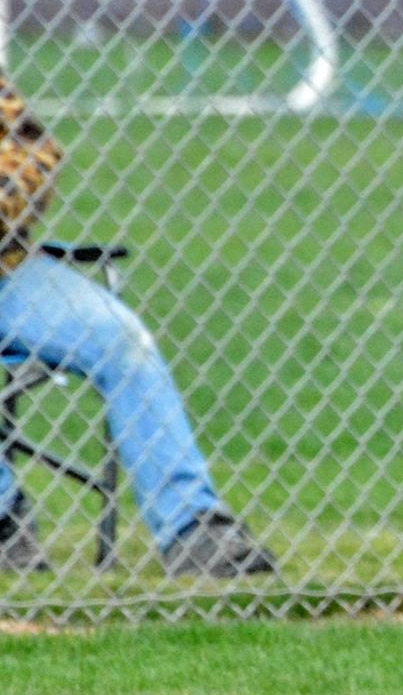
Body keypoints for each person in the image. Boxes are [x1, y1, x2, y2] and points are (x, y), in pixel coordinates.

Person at [0, 73, 276, 577]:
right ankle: (4, 518)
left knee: (123, 340)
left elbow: (36, 154)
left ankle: (193, 526)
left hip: (9, 271)